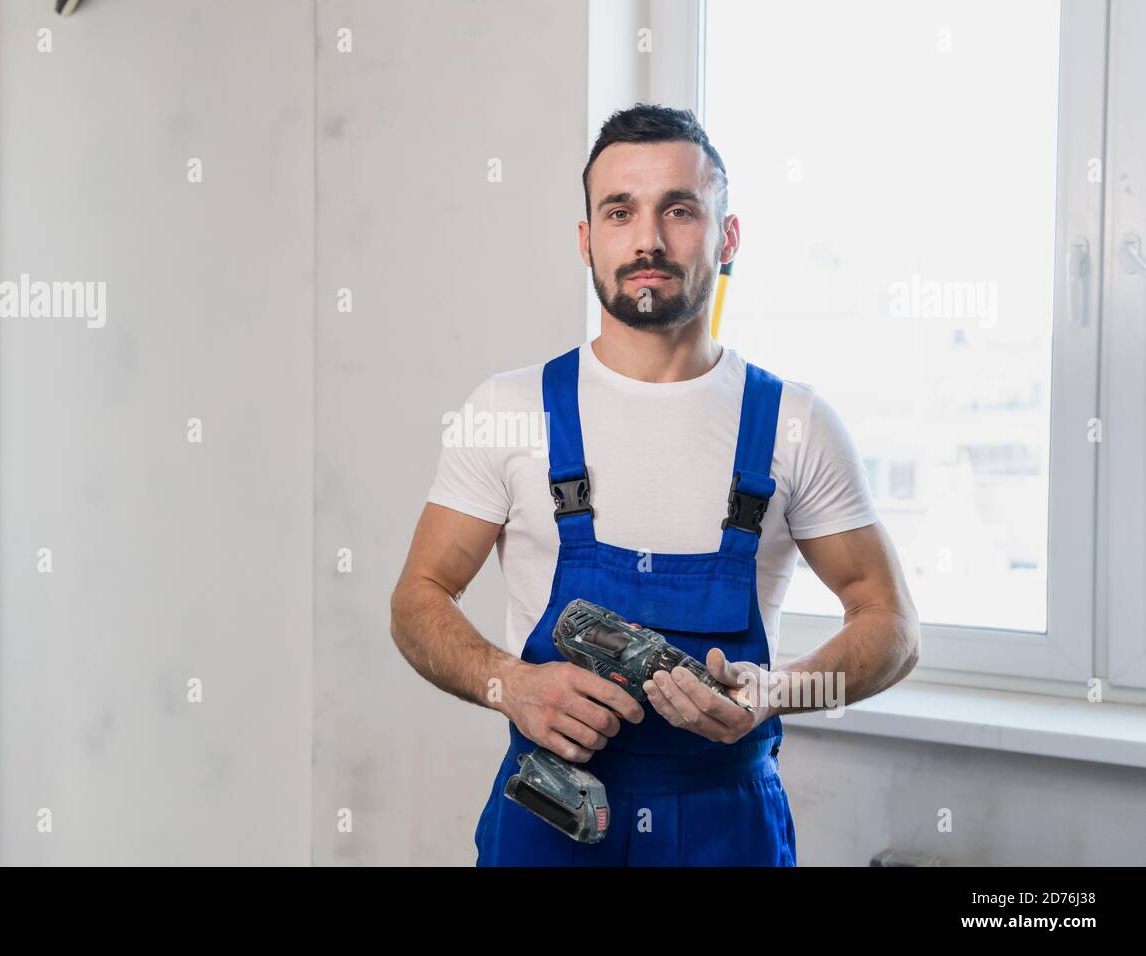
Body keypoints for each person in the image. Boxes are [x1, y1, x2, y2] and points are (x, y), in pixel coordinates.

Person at [389, 104, 921, 866]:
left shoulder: (793, 423)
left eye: (680, 209)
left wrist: (780, 691)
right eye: (619, 211)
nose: (648, 239)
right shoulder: (507, 412)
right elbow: (418, 597)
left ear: (726, 236)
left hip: (726, 830)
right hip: (551, 820)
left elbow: (892, 626)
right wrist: (511, 685)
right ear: (587, 241)